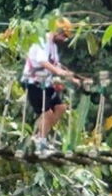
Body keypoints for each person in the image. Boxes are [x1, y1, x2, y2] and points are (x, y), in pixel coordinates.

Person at [20, 18, 81, 150]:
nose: (64, 39)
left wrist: (73, 78)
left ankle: (39, 137)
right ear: (57, 31)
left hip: (46, 84)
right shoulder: (43, 40)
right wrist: (58, 72)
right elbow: (42, 61)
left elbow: (56, 64)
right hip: (34, 82)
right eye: (64, 35)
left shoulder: (52, 46)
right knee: (46, 113)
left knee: (60, 108)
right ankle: (40, 141)